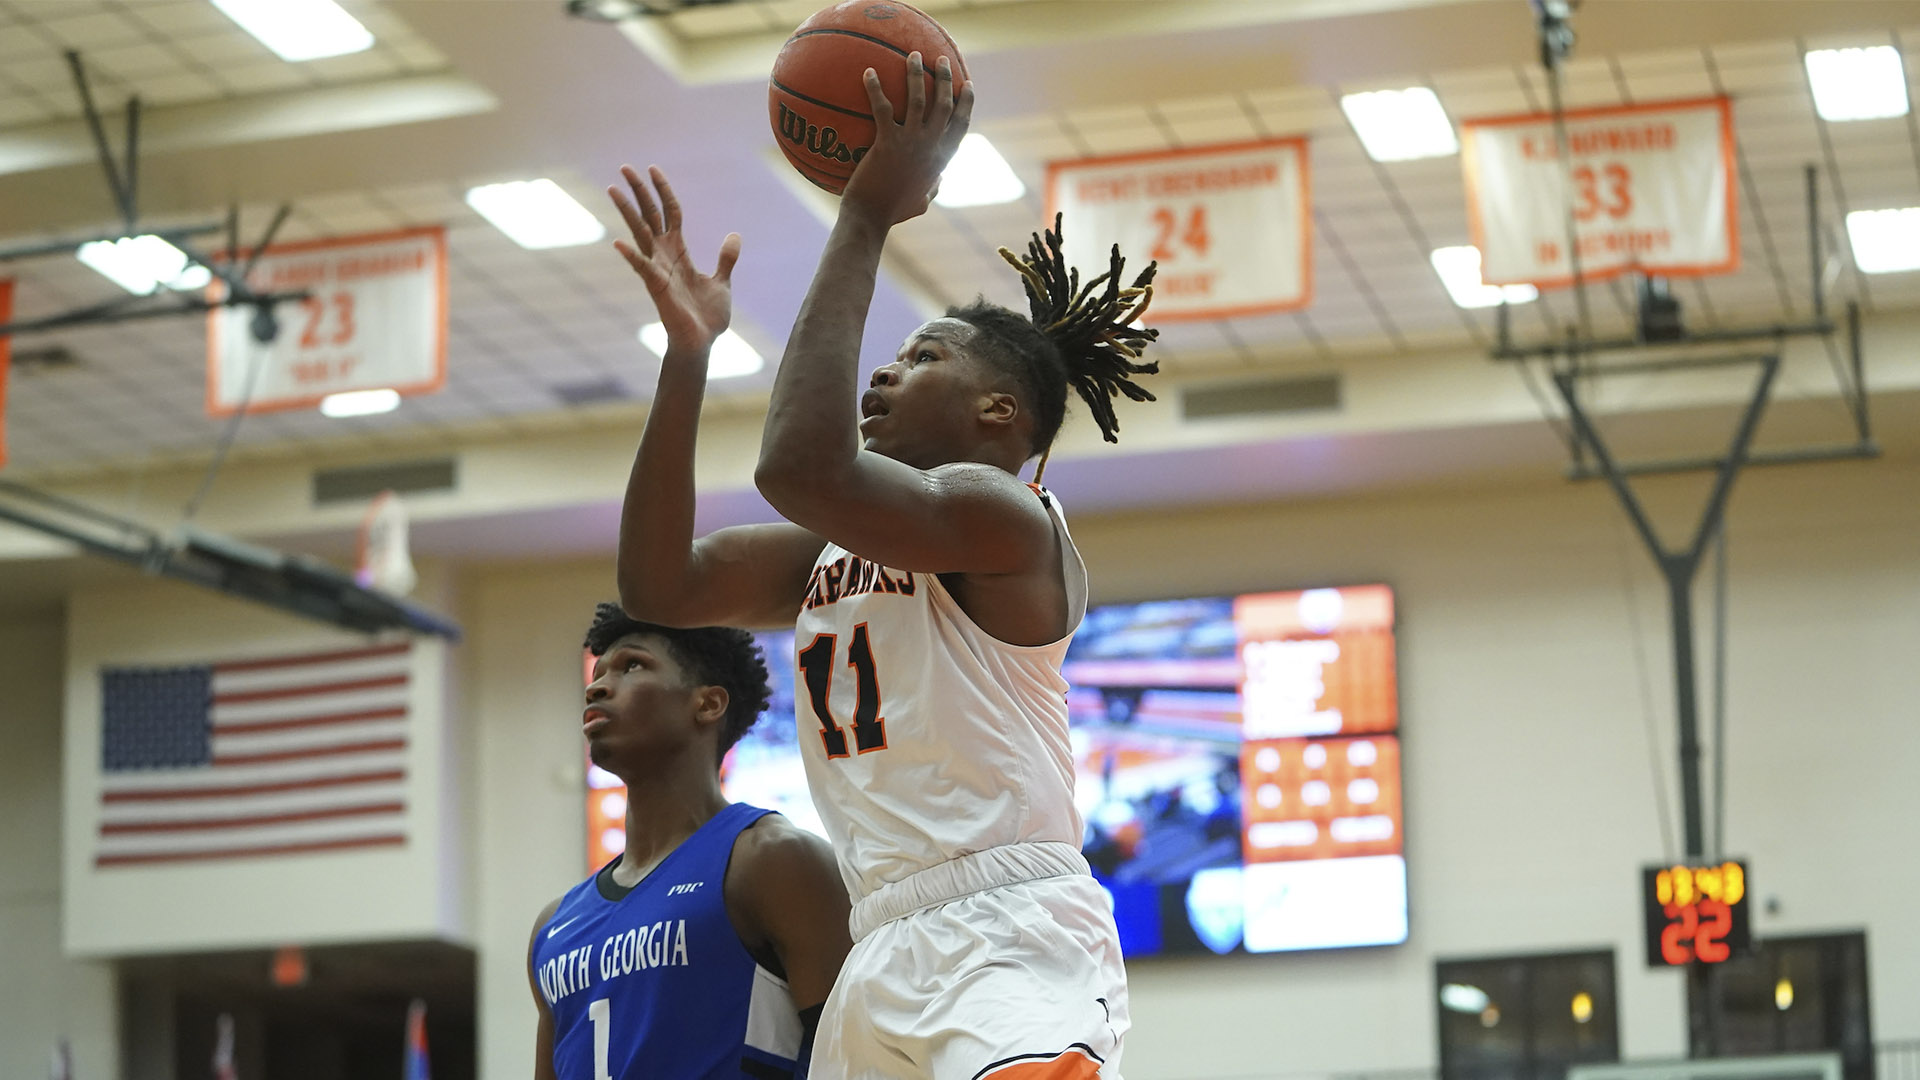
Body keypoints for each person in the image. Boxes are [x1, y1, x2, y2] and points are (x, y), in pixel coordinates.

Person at [609, 52, 1160, 1080]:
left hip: (1008, 929)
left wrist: (865, 212)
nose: (884, 368)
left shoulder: (1007, 519)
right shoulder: (835, 551)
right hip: (882, 941)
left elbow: (799, 465)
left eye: (924, 357)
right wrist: (685, 361)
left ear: (1000, 413)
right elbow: (659, 588)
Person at [528, 604, 851, 1080]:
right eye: (598, 673)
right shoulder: (554, 926)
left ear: (707, 704)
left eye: (632, 665)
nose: (596, 686)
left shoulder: (774, 861)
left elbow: (861, 1060)